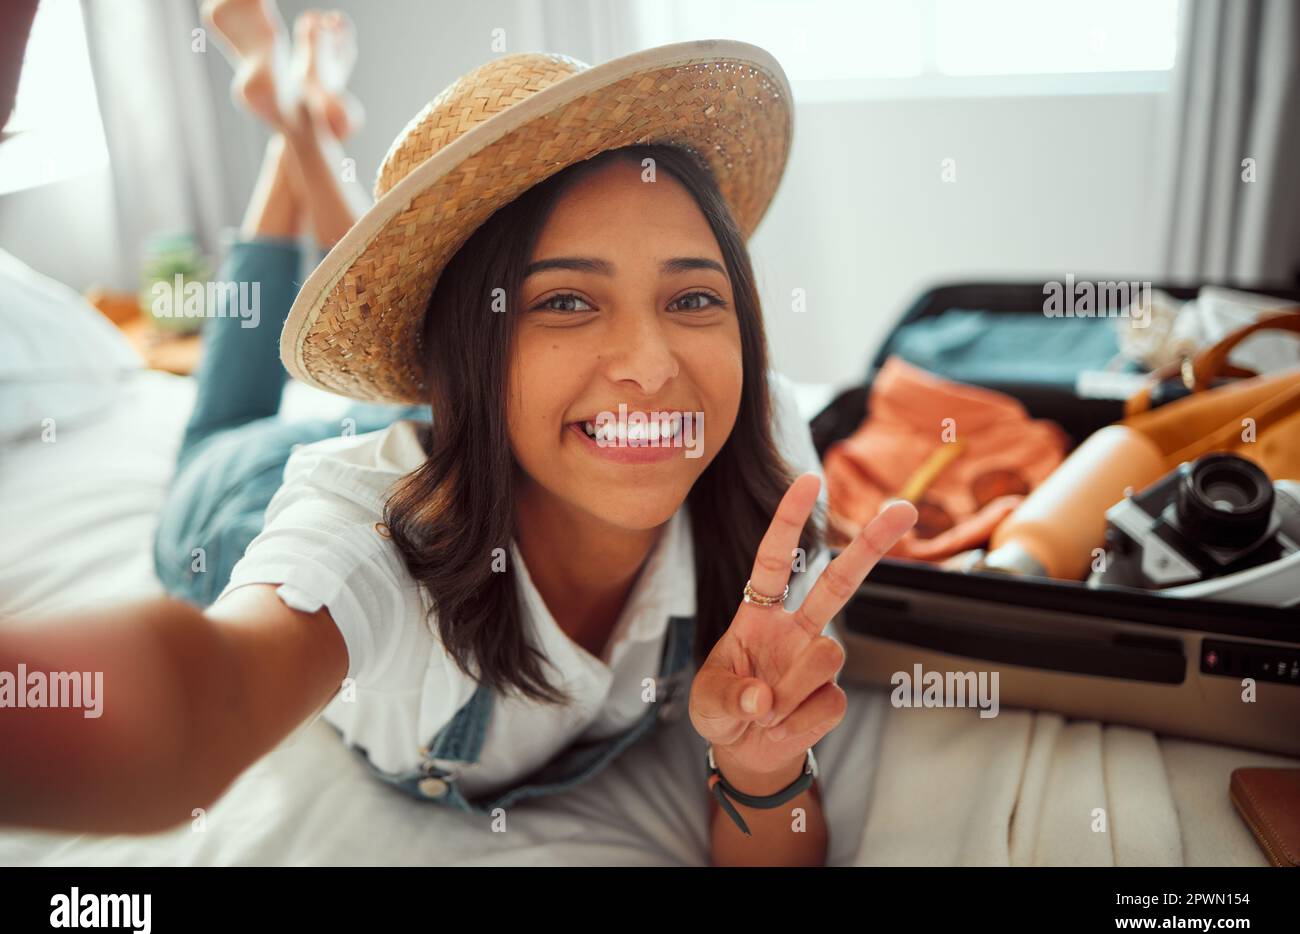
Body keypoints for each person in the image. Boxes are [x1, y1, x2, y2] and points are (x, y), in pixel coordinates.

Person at [0, 0, 918, 867]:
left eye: (691, 297)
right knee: (218, 427)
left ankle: (299, 120)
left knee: (431, 359)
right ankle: (296, 124)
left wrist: (761, 763)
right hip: (257, 490)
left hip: (491, 432)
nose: (652, 360)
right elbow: (208, 698)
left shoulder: (764, 475)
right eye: (565, 300)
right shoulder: (372, 538)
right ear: (474, 348)